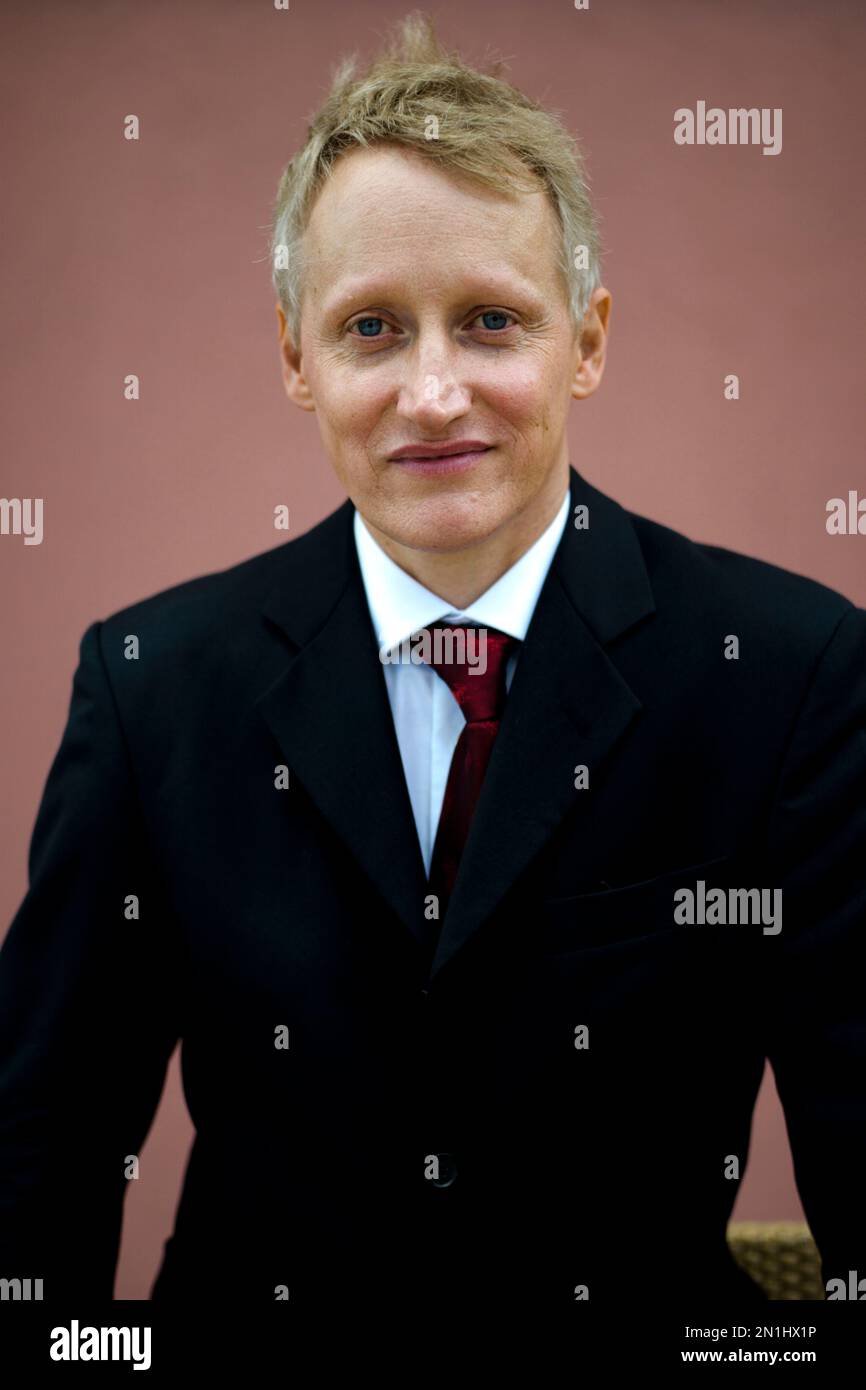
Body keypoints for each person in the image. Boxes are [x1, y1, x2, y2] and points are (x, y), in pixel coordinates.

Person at [1, 13, 864, 1312]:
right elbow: (42, 1148)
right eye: (369, 330)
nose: (433, 389)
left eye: (490, 319)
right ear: (294, 354)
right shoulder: (152, 687)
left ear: (587, 338)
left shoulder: (790, 673)